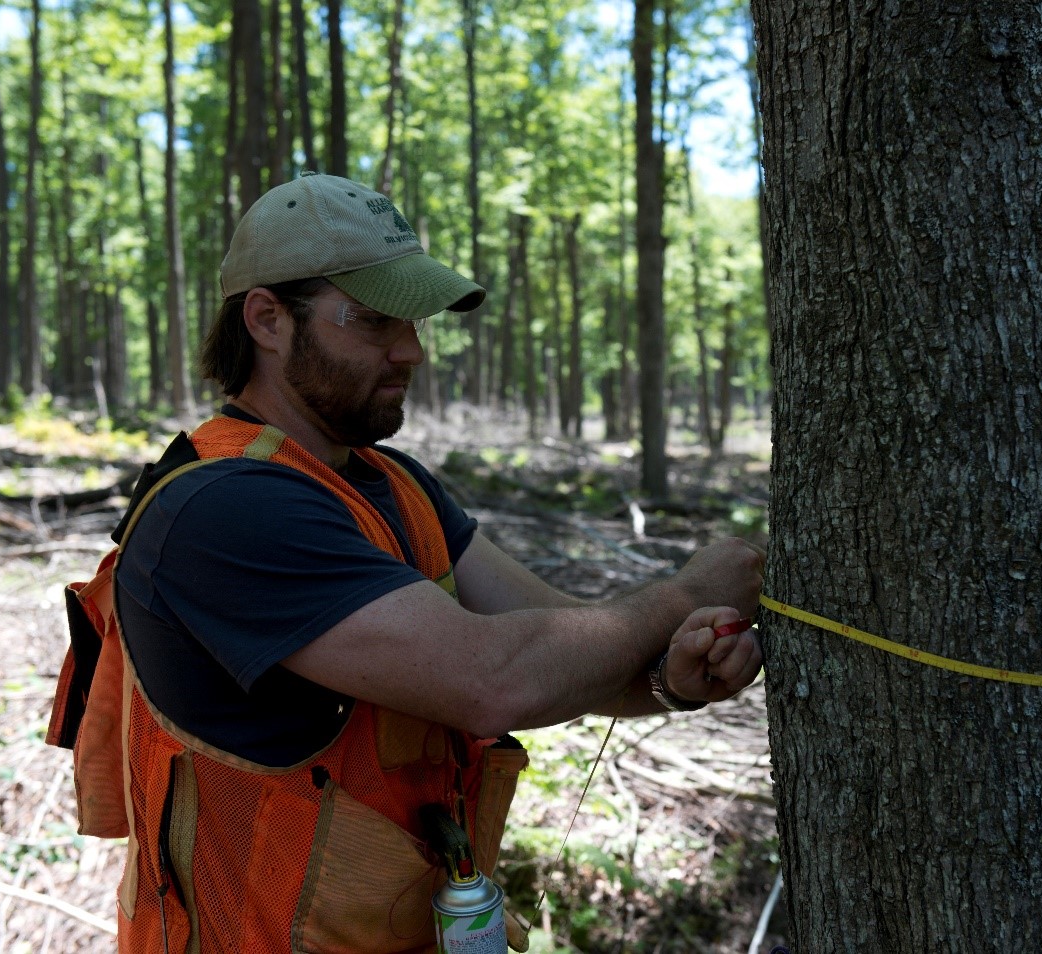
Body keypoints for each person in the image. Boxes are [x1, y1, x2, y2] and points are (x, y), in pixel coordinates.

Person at [107, 173, 764, 953]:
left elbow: (553, 642)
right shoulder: (224, 510)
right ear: (267, 320)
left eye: (413, 322)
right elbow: (493, 679)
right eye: (375, 320)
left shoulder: (394, 483)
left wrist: (667, 679)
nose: (410, 350)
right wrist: (686, 591)